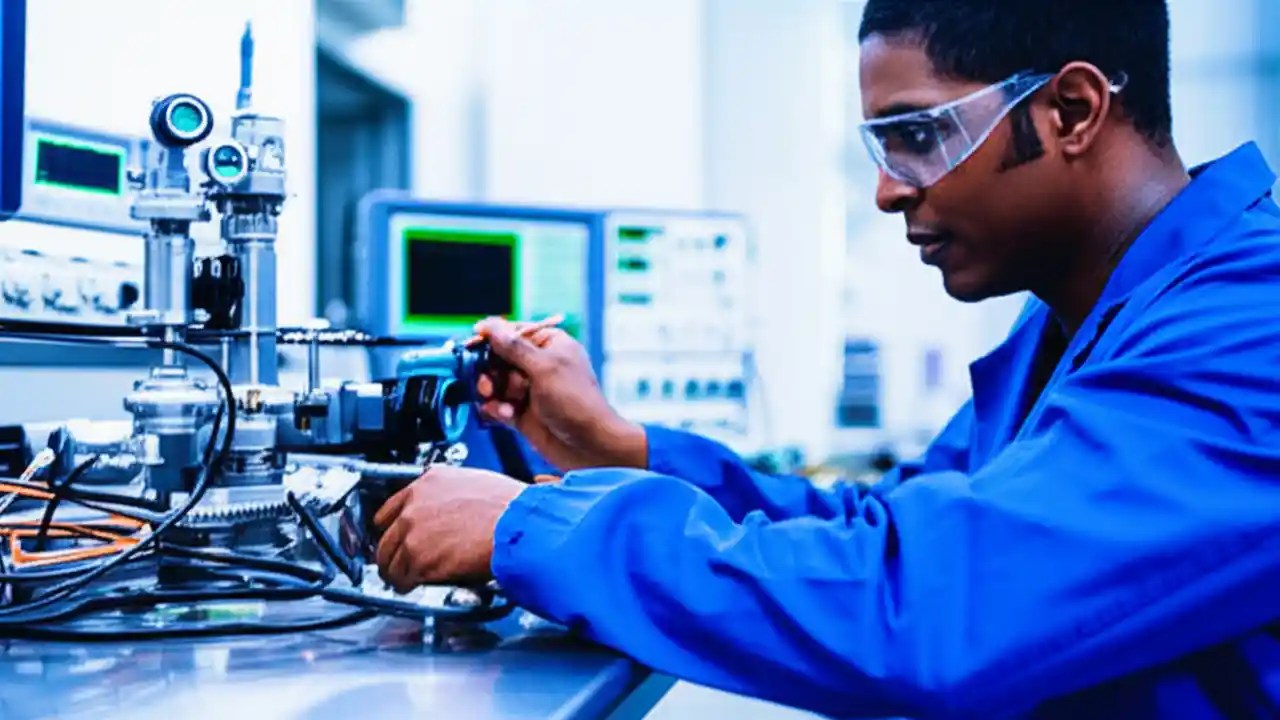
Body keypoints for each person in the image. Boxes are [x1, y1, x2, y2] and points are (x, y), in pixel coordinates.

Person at [372, 0, 1280, 716]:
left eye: (917, 134)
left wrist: (529, 527)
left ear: (1071, 109)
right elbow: (884, 531)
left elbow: (927, 610)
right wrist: (619, 451)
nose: (887, 191)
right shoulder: (1081, 321)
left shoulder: (1250, 326)